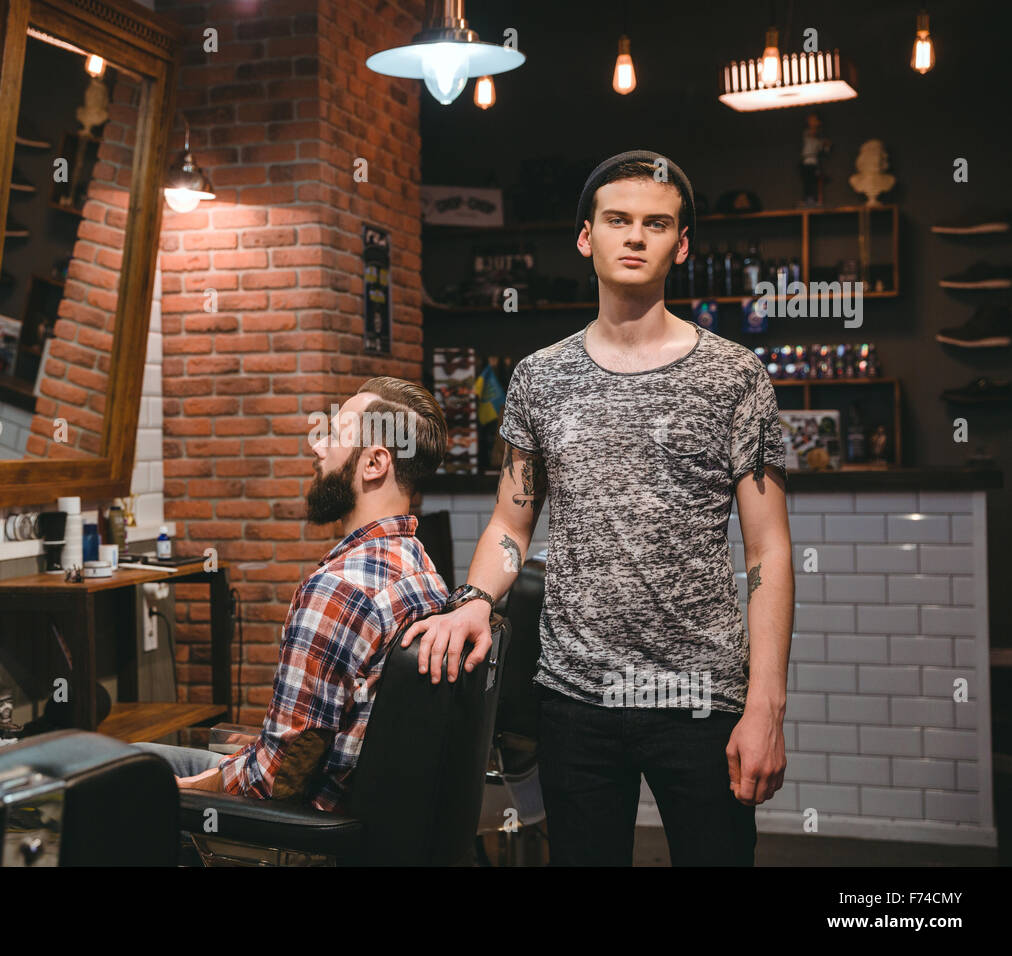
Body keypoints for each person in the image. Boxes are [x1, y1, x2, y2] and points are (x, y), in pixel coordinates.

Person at [403, 149, 793, 865]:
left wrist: (766, 704)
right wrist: (472, 602)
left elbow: (768, 550)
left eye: (656, 223)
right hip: (576, 697)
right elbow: (510, 522)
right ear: (587, 237)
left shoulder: (738, 376)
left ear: (682, 244)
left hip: (701, 696)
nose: (635, 236)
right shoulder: (539, 378)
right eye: (617, 220)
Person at [135, 377, 449, 811]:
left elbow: (276, 779)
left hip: (292, 831)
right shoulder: (425, 571)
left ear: (374, 463)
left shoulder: (341, 590)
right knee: (131, 761)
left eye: (335, 436)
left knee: (110, 777)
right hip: (372, 816)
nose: (317, 447)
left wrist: (178, 792)